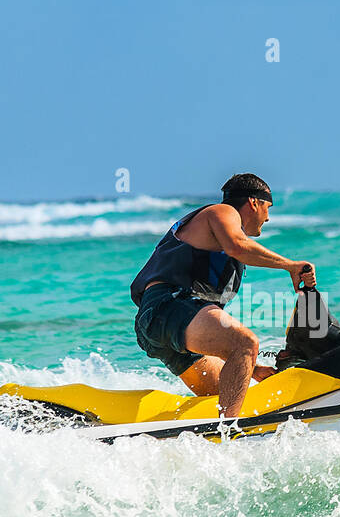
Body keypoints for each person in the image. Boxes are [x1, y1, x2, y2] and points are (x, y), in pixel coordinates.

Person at [130, 173, 316, 419]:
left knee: (223, 393)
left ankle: (204, 430)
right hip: (169, 307)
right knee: (245, 343)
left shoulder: (216, 229)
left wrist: (252, 368)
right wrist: (290, 265)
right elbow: (237, 246)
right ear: (254, 203)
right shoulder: (223, 212)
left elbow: (209, 327)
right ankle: (230, 432)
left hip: (162, 323)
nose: (268, 217)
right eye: (267, 208)